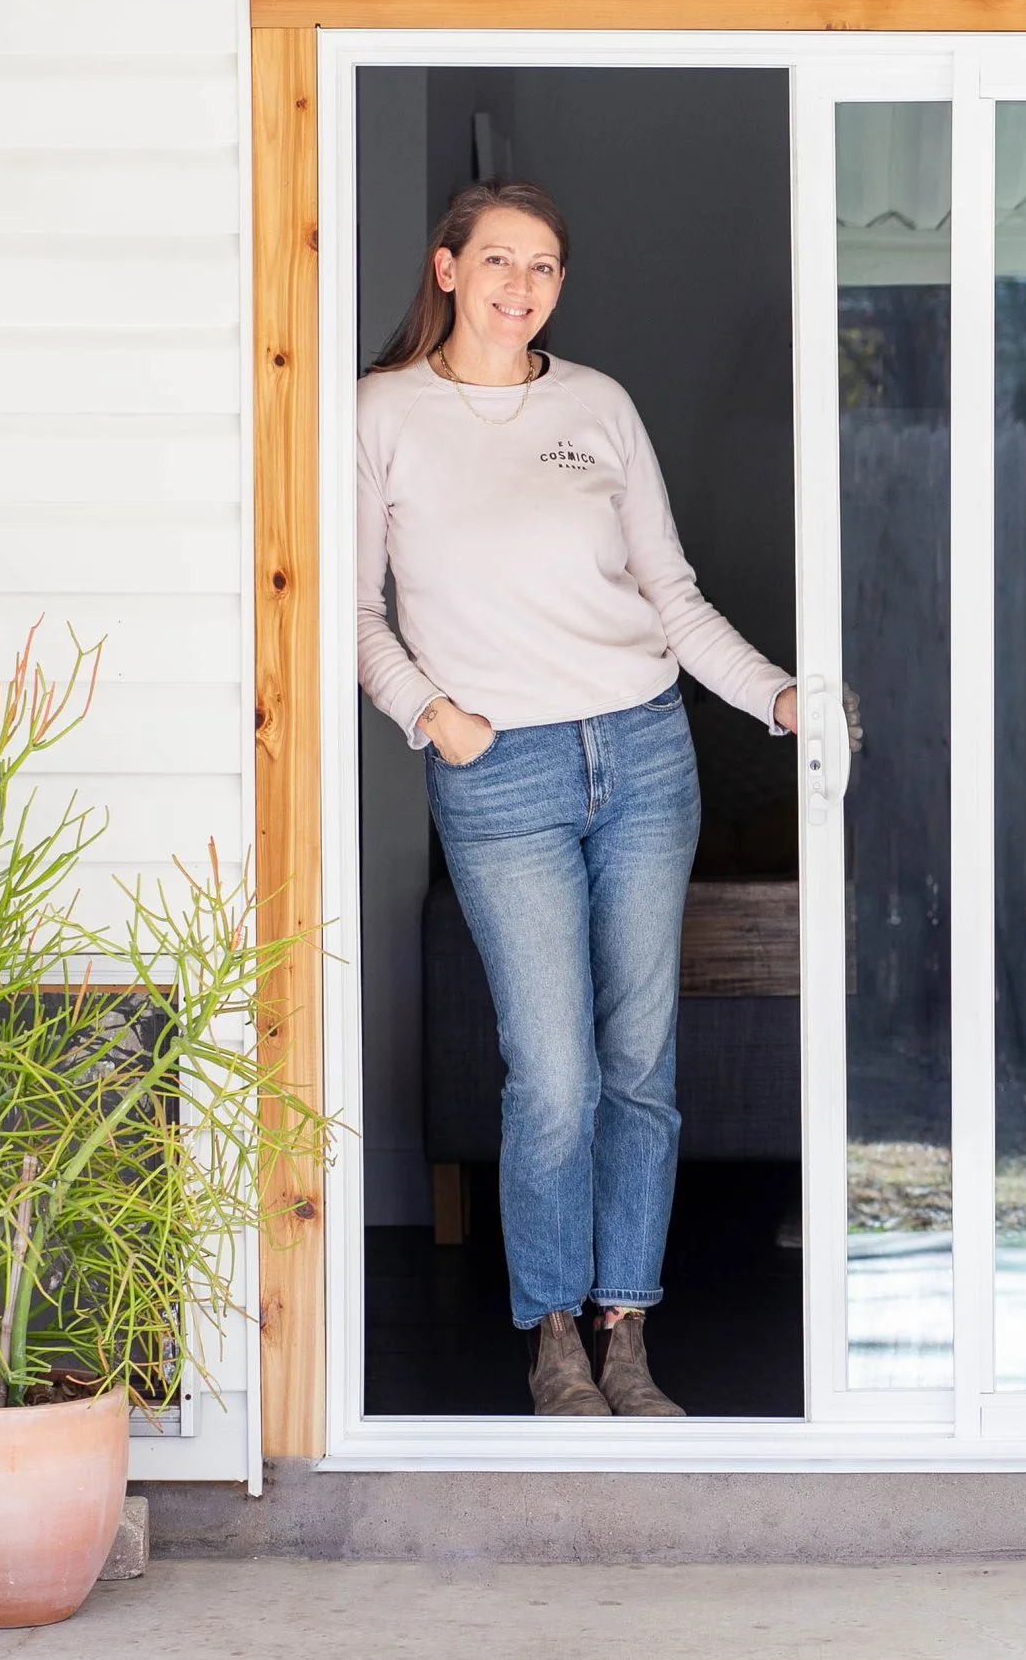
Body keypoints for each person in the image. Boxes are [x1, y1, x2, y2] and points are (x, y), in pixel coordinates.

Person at [356, 180, 796, 1417]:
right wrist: (433, 717)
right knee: (551, 1075)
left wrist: (777, 697)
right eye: (497, 260)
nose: (521, 285)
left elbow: (669, 591)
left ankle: (628, 1331)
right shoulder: (381, 414)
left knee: (640, 1061)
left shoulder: (595, 404)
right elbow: (349, 609)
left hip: (646, 753)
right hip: (501, 772)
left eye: (543, 265)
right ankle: (551, 1331)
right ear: (446, 268)